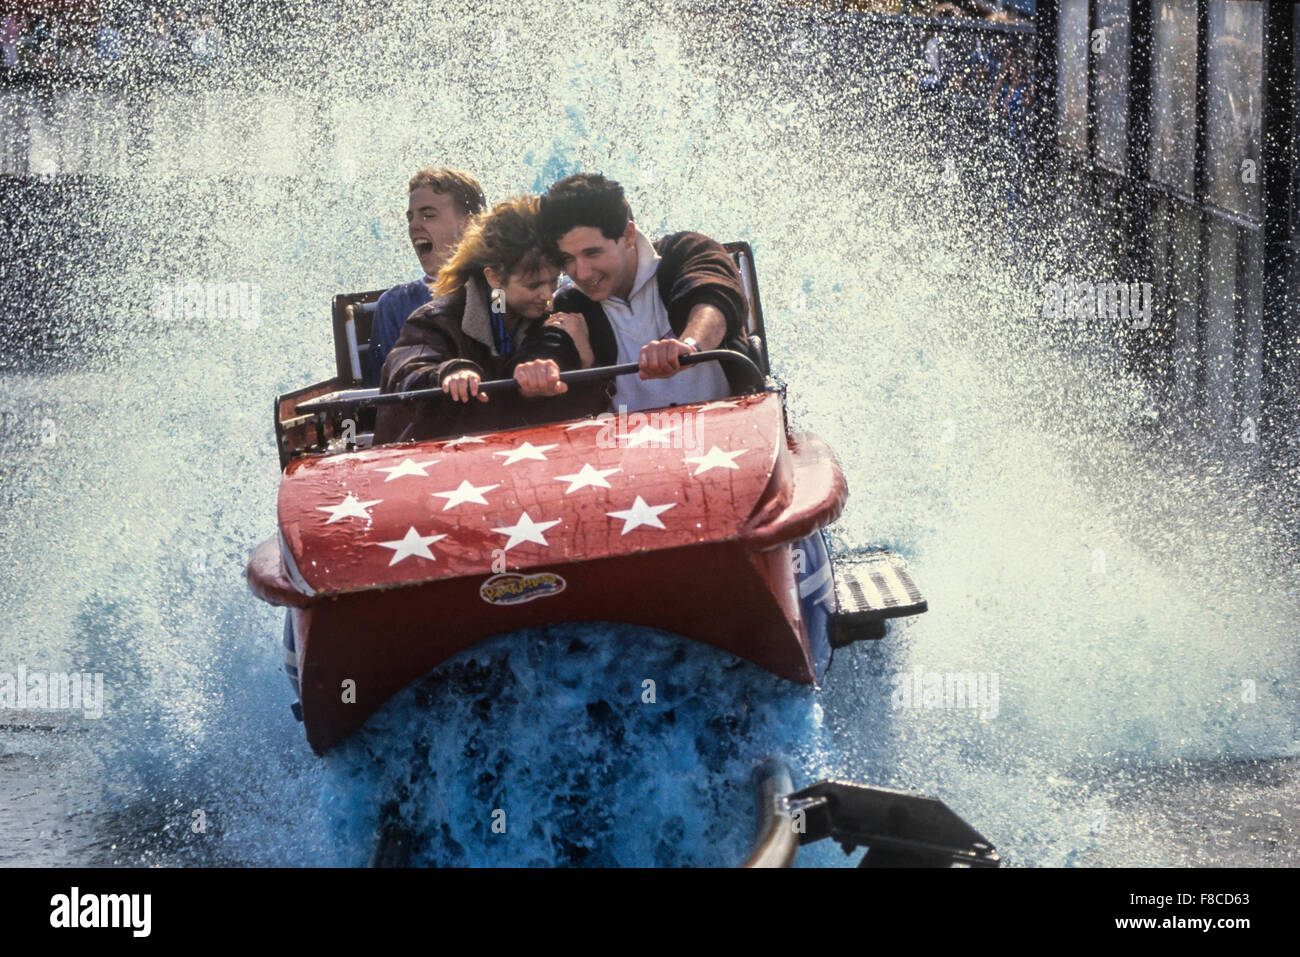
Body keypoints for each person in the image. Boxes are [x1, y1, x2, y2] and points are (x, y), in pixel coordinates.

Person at [512, 173, 753, 414]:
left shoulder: (686, 253)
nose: (582, 273)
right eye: (568, 259)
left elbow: (714, 298)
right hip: (624, 446)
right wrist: (536, 372)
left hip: (729, 428)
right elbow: (548, 344)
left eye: (592, 253)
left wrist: (689, 346)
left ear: (628, 235)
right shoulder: (570, 304)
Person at [375, 195, 592, 443]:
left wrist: (584, 362)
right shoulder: (435, 321)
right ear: (494, 278)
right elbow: (405, 373)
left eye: (553, 281)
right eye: (534, 285)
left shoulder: (545, 318)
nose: (547, 295)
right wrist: (446, 374)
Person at [365, 167, 486, 386]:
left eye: (428, 215)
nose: (414, 226)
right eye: (410, 218)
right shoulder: (395, 304)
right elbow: (382, 389)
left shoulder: (498, 291)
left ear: (469, 225)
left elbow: (508, 349)